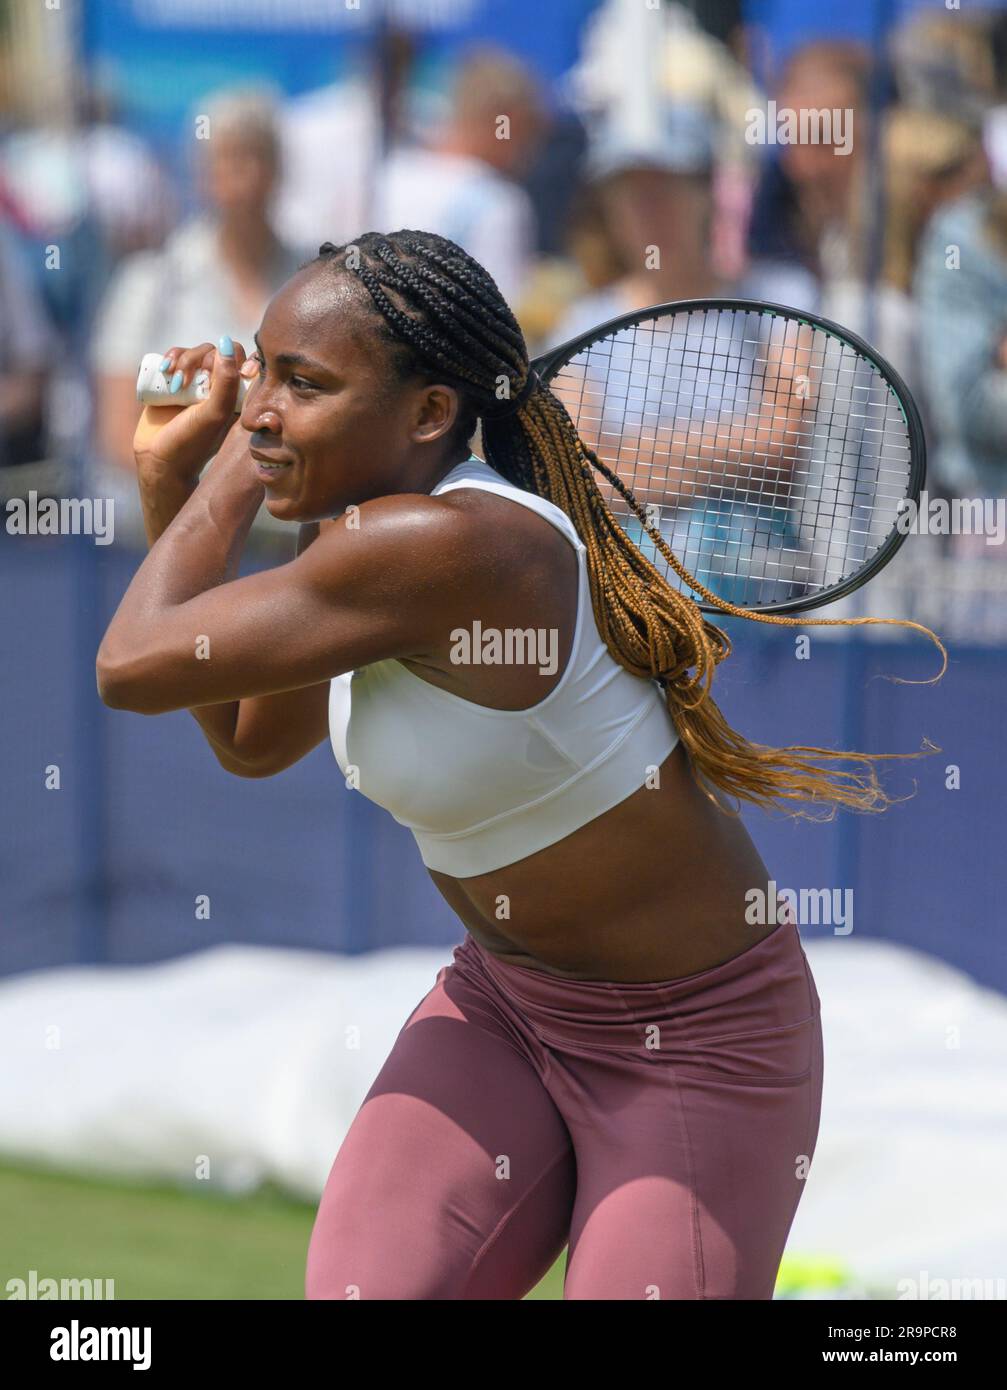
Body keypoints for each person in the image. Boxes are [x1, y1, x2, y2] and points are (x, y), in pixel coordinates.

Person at [95, 230, 940, 1300]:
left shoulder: (447, 546)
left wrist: (219, 474)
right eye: (260, 369)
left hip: (695, 1044)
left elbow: (128, 664)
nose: (262, 407)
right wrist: (172, 483)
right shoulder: (356, 540)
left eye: (302, 384)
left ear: (429, 414)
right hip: (500, 1010)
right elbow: (251, 741)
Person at [90, 88, 306, 538]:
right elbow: (117, 434)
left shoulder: (315, 281)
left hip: (291, 537)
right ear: (201, 173)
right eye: (228, 159)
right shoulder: (149, 282)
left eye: (256, 157)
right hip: (179, 532)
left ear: (279, 169)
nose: (244, 177)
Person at [371, 48, 546, 307]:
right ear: (505, 120)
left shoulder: (386, 175)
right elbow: (506, 309)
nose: (530, 154)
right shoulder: (499, 202)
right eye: (526, 134)